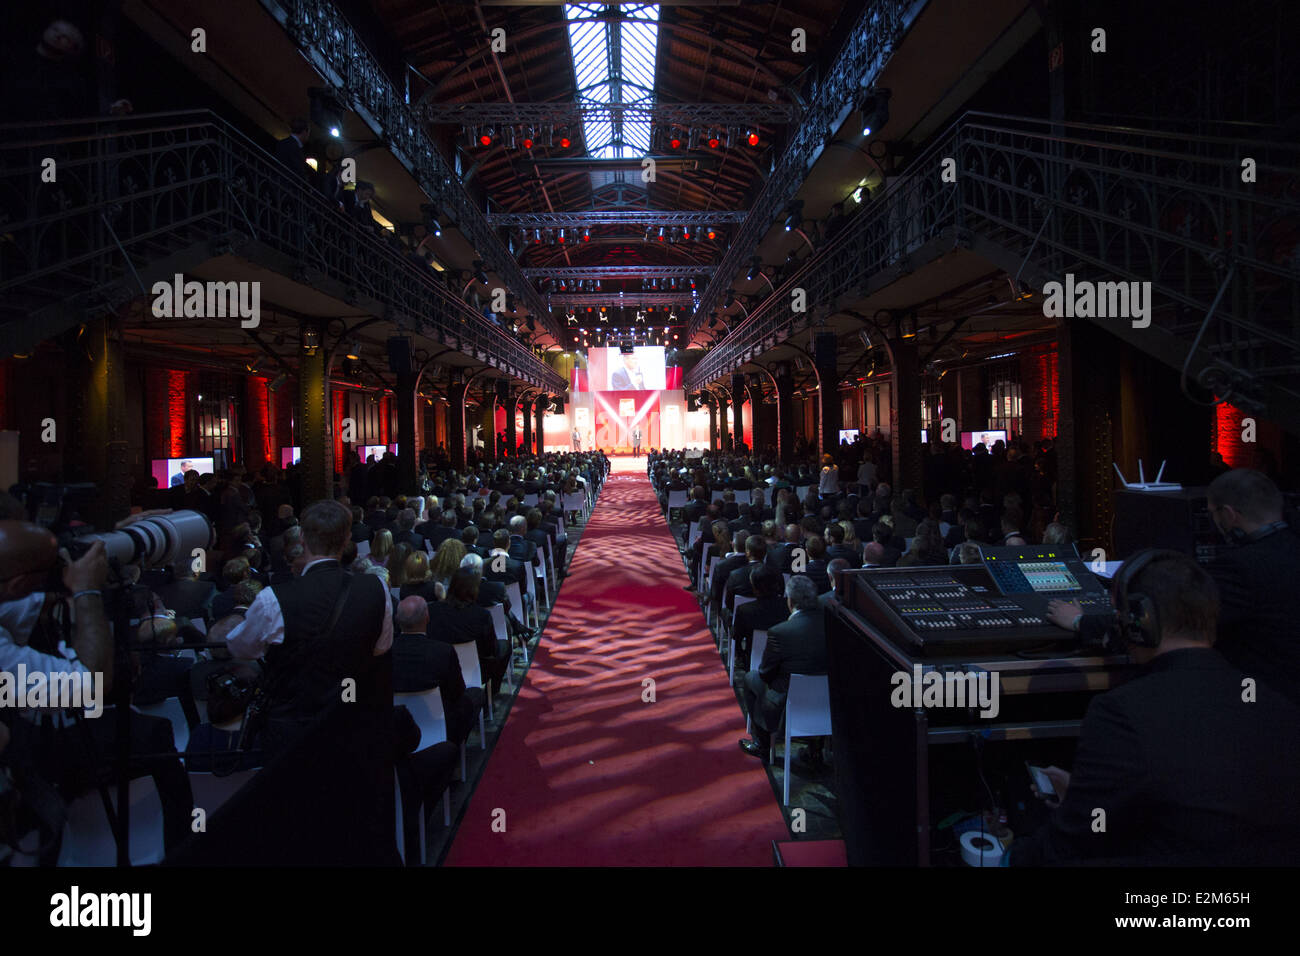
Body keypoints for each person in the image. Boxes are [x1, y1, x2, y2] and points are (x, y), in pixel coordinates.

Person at [1013, 551, 1300, 865]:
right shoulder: (1279, 706)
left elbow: (1074, 842)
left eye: (1121, 614)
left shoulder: (1120, 713)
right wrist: (1084, 798)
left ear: (1139, 621)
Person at [226, 500, 393, 757]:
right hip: (352, 715)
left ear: (302, 538)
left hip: (295, 725)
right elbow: (381, 648)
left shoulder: (274, 598)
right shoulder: (376, 587)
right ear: (347, 538)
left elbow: (240, 647)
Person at [1203, 468, 1300, 705]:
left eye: (1212, 514)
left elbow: (1194, 624)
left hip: (1265, 705)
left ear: (1228, 514)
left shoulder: (1237, 568)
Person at [738, 575, 828, 763]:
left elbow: (765, 673)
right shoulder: (832, 626)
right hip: (827, 704)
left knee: (750, 678)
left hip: (786, 705)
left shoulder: (780, 632)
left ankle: (762, 744)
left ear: (791, 601)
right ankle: (815, 749)